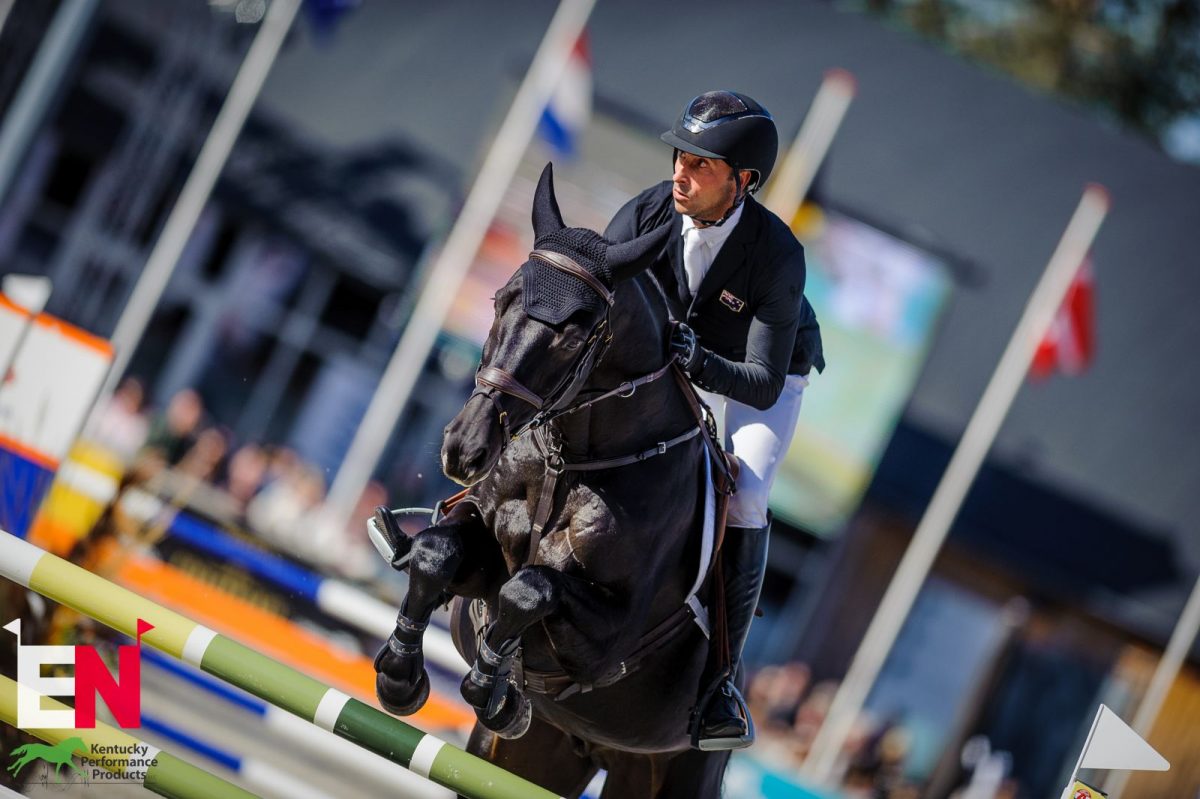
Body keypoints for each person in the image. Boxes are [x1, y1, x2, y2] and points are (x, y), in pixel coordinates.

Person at [604, 90, 825, 751]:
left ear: (743, 180)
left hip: (764, 378)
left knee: (749, 495)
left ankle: (720, 681)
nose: (680, 173)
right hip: (677, 358)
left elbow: (757, 383)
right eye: (680, 155)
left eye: (701, 165)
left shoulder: (777, 254)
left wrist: (699, 359)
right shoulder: (649, 210)